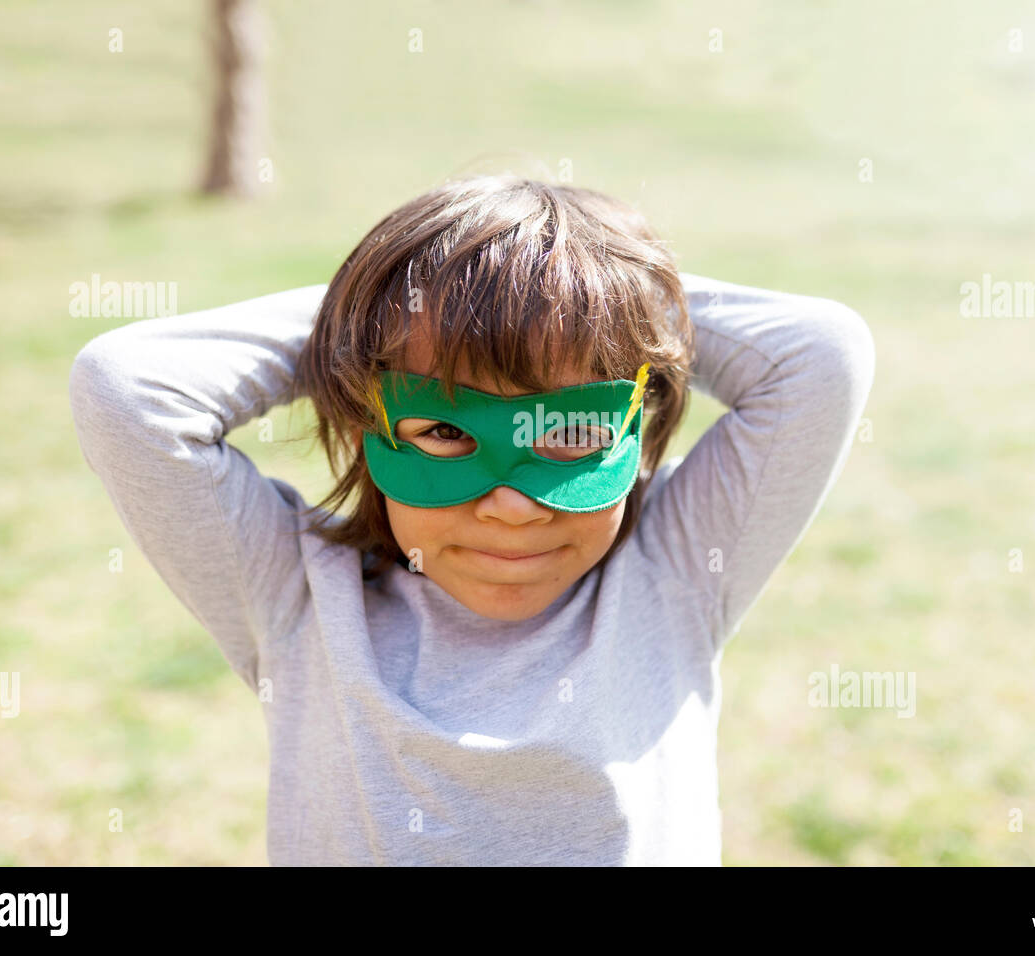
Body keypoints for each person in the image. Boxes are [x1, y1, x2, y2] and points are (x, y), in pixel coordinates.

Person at [68, 174, 875, 865]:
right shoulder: (296, 596)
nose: (514, 507)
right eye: (446, 432)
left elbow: (821, 355)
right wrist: (388, 305)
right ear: (364, 424)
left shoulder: (673, 573)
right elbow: (127, 388)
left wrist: (604, 290)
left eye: (573, 434)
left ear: (640, 431)